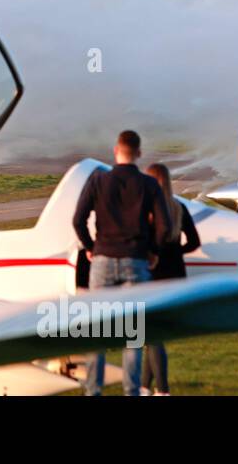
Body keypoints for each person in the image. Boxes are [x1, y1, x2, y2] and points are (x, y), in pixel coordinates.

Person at [72, 130, 171, 396]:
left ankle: (93, 390)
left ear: (116, 151)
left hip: (103, 258)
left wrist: (91, 247)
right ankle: (131, 390)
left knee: (97, 330)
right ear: (139, 153)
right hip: (135, 259)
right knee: (133, 334)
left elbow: (78, 220)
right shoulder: (148, 185)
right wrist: (153, 250)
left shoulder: (98, 180)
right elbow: (164, 226)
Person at [140, 162, 201, 396]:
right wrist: (177, 252)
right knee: (151, 334)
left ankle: (162, 390)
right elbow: (194, 242)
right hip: (176, 274)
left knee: (151, 335)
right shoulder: (178, 208)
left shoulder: (147, 210)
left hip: (153, 273)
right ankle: (143, 388)